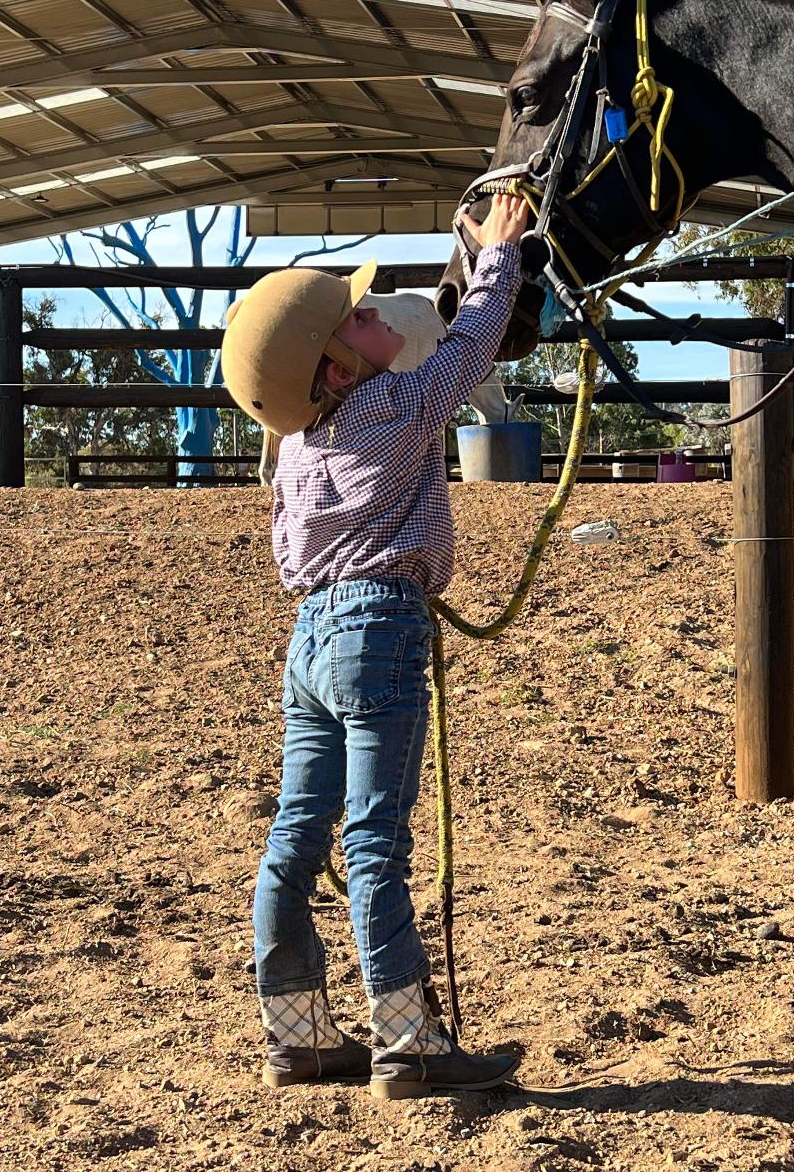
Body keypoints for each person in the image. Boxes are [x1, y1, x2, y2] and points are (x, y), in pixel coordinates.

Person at [221, 195, 528, 1100]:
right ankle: (409, 1044)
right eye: (356, 318)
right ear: (337, 367)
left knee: (297, 834)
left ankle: (299, 1034)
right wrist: (501, 255)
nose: (374, 315)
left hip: (311, 633)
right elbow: (469, 348)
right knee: (375, 845)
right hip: (379, 626)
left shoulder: (296, 450)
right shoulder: (391, 403)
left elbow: (288, 552)